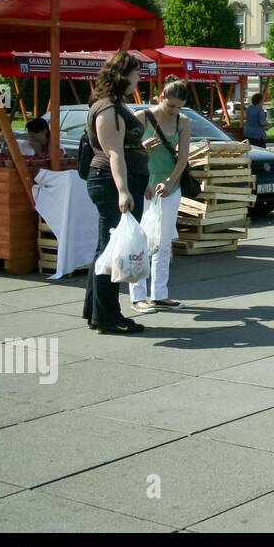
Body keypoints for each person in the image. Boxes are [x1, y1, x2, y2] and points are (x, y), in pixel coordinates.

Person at [83, 51, 150, 334]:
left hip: (117, 181)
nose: (139, 79)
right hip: (111, 183)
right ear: (122, 75)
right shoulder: (108, 108)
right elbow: (113, 153)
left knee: (106, 251)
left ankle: (96, 313)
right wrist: (123, 190)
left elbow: (123, 151)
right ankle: (109, 317)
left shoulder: (113, 105)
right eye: (135, 73)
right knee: (112, 254)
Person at [129, 78, 191, 313]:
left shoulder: (183, 122)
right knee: (141, 241)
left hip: (169, 187)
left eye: (178, 107)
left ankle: (159, 294)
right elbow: (127, 153)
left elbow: (184, 157)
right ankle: (137, 296)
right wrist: (142, 148)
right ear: (160, 98)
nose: (174, 111)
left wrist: (170, 182)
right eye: (170, 106)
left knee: (163, 242)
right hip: (143, 185)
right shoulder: (142, 118)